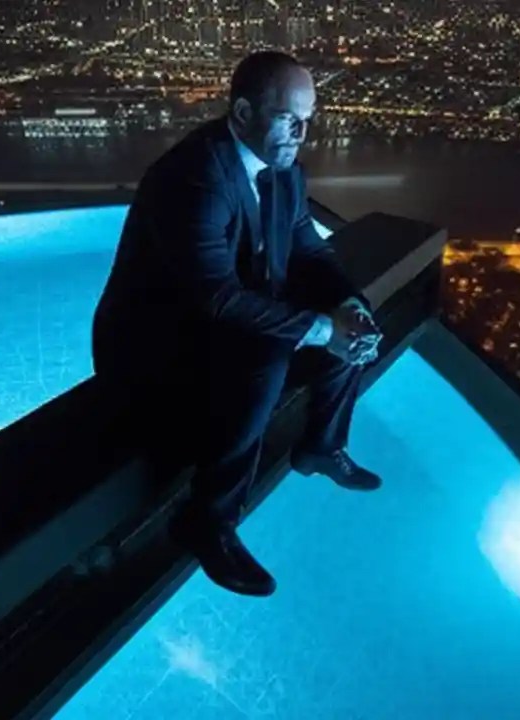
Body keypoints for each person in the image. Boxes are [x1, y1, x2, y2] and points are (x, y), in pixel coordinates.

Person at [91, 51, 384, 597]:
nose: (301, 134)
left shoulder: (282, 166)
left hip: (217, 317)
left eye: (307, 120)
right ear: (244, 112)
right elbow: (215, 298)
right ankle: (208, 521)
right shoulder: (193, 179)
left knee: (350, 325)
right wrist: (323, 329)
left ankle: (320, 445)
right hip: (155, 347)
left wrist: (349, 306)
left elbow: (308, 251)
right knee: (269, 352)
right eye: (288, 118)